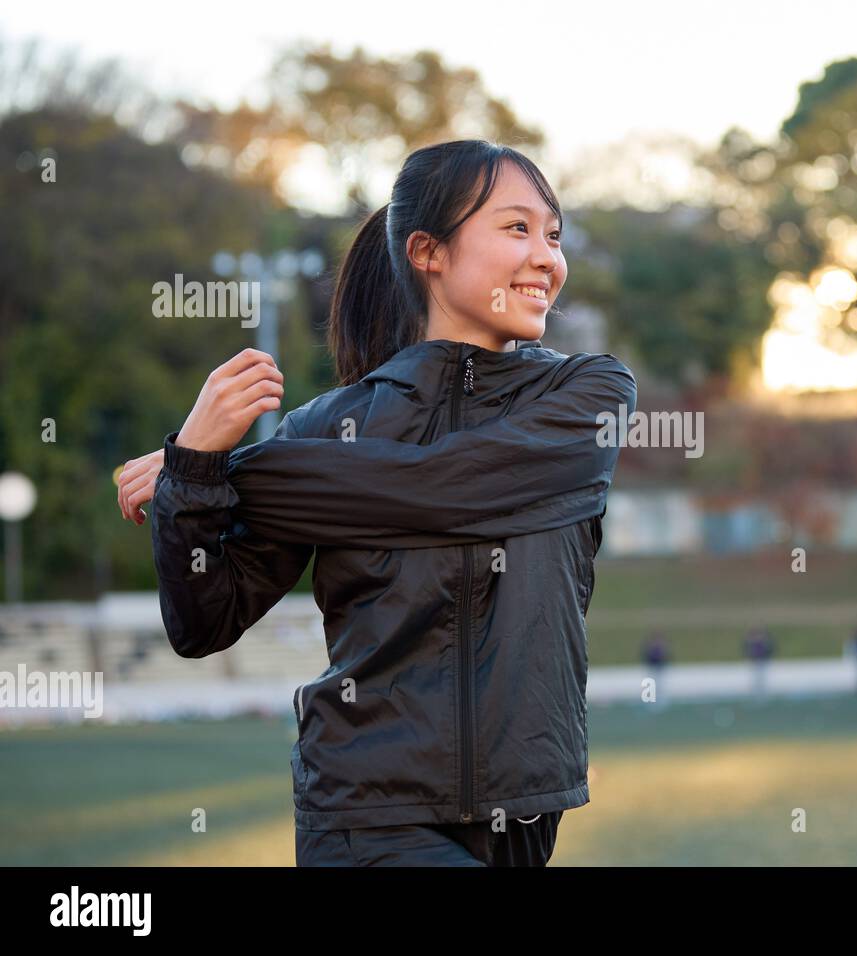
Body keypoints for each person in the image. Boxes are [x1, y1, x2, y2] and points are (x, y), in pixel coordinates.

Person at [115, 140, 636, 867]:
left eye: (554, 234)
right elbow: (204, 620)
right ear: (429, 251)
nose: (547, 257)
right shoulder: (327, 429)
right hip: (366, 817)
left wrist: (218, 466)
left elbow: (450, 485)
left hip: (523, 820)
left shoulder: (588, 396)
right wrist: (194, 478)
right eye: (517, 229)